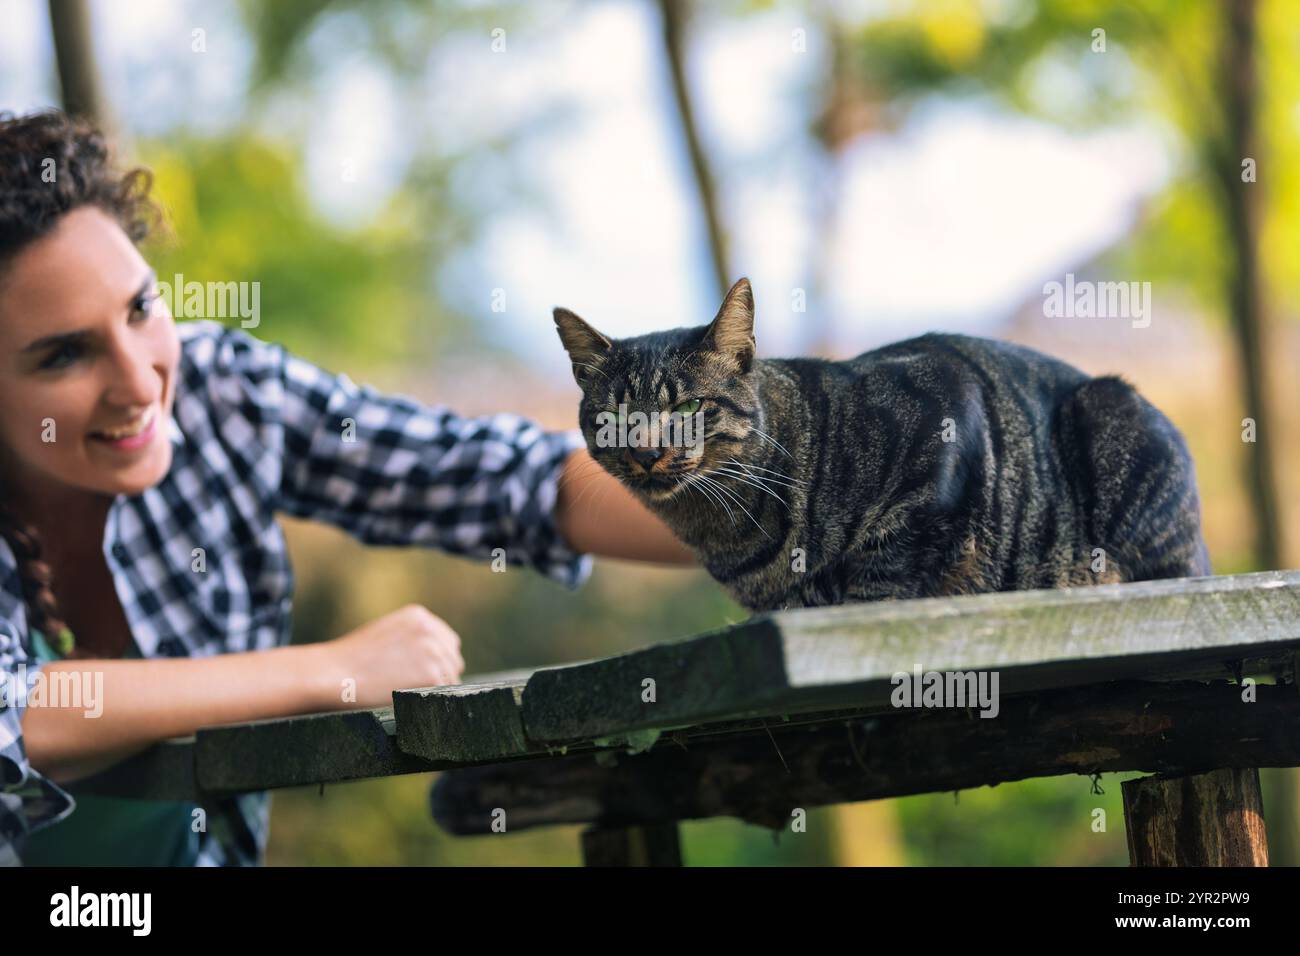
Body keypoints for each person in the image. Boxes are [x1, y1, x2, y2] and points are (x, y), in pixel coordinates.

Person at [0, 109, 694, 866]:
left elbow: (496, 478)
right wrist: (329, 670)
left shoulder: (222, 394)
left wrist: (777, 524)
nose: (140, 382)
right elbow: (15, 710)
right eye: (65, 355)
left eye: (140, 309)